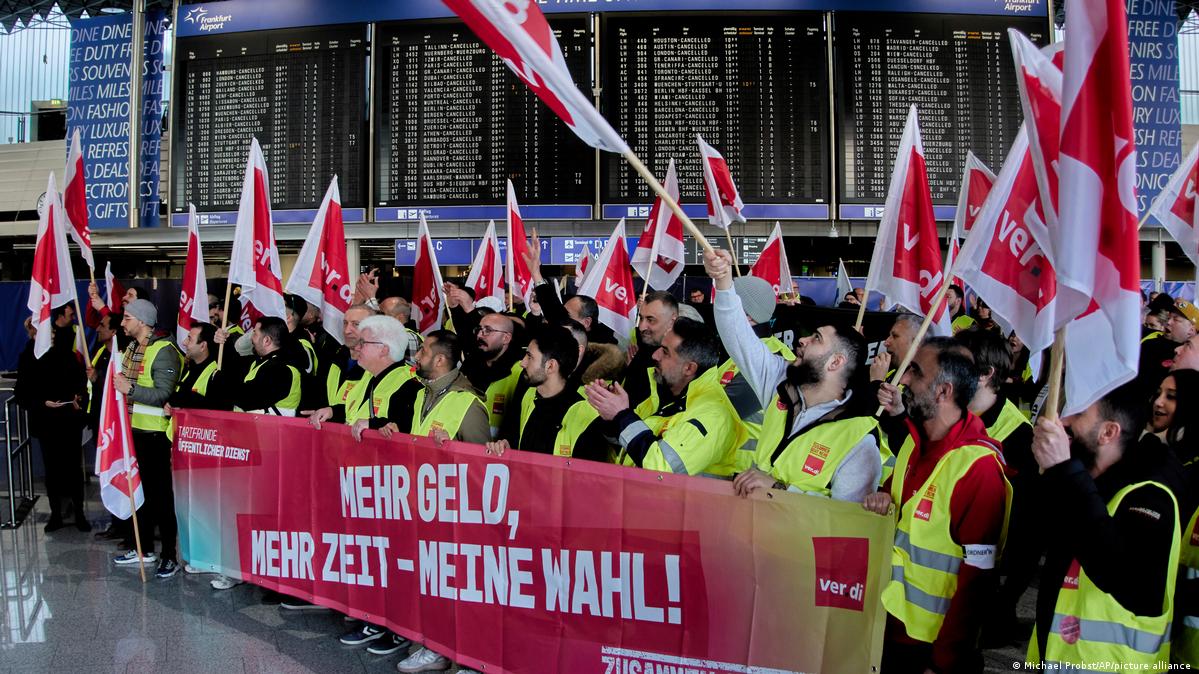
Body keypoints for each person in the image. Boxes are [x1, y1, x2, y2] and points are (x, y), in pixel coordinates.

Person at [865, 337, 1010, 674]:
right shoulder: (914, 443)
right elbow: (899, 504)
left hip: (930, 651)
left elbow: (977, 579)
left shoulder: (979, 469)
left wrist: (946, 661)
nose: (902, 380)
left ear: (943, 391)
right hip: (888, 631)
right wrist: (884, 499)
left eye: (914, 372)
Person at [704, 249, 883, 501]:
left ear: (835, 362)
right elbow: (738, 338)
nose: (802, 340)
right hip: (751, 528)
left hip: (797, 540)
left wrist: (778, 490)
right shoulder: (781, 383)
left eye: (817, 338)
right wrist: (723, 282)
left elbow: (846, 520)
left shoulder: (858, 440)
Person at [1028, 383, 1184, 670]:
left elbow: (1121, 574)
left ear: (1108, 432)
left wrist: (1066, 471)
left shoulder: (1151, 497)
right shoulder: (1083, 482)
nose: (1063, 421)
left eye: (1077, 413)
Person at [585, 317, 743, 477]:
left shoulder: (713, 416)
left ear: (689, 368)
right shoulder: (665, 396)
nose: (655, 355)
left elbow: (660, 468)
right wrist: (611, 415)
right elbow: (626, 444)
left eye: (665, 352)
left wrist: (622, 415)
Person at [111, 299, 184, 578]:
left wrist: (129, 389)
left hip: (154, 435)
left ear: (142, 321)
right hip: (132, 435)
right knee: (137, 496)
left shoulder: (164, 350)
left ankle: (168, 555)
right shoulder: (131, 347)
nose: (122, 322)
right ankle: (143, 549)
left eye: (127, 317)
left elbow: (164, 394)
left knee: (160, 498)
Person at [488, 324, 608, 461]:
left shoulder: (587, 415)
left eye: (529, 356)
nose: (522, 363)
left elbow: (591, 477)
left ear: (550, 366)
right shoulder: (528, 396)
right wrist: (506, 447)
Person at [25, 320, 89, 533]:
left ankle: (79, 512)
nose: (51, 336)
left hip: (69, 420)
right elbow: (23, 391)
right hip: (46, 423)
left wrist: (79, 397)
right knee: (52, 471)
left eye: (53, 332)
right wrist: (43, 402)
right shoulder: (31, 356)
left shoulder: (69, 356)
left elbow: (81, 382)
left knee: (73, 469)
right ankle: (56, 514)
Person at [218, 317, 303, 416]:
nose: (251, 338)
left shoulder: (281, 370)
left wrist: (219, 380)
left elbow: (250, 399)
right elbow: (234, 364)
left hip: (271, 430)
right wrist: (224, 342)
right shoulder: (261, 362)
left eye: (255, 333)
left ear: (266, 340)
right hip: (253, 429)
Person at [624, 291, 679, 413]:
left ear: (672, 321)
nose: (642, 326)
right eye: (641, 318)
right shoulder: (640, 349)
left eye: (651, 320)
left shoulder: (681, 364)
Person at [1142, 299, 1199, 395]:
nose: (1168, 322)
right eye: (1168, 318)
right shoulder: (1150, 342)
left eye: (1176, 319)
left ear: (1191, 330)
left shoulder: (1191, 357)